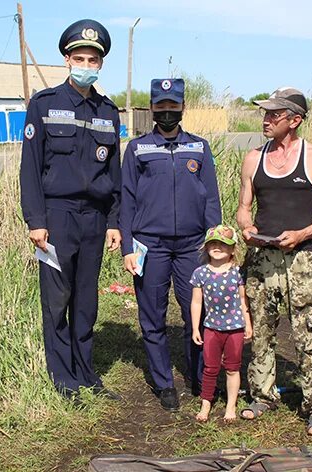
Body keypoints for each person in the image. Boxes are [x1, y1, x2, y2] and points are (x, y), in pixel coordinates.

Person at [19, 19, 122, 400]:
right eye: (79, 57)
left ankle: (86, 373)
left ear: (100, 65)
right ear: (67, 60)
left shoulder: (108, 112)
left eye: (92, 59)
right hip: (56, 218)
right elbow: (29, 167)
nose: (85, 64)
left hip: (94, 219)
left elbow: (115, 172)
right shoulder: (44, 105)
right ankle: (63, 379)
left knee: (86, 300)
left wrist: (114, 221)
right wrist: (36, 221)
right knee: (57, 299)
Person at [236, 87, 312, 435]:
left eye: (274, 115)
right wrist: (246, 228)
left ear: (295, 120)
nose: (266, 120)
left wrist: (301, 234)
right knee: (262, 329)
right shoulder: (253, 158)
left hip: (301, 260)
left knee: (310, 331)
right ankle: (262, 395)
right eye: (264, 114)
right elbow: (243, 207)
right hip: (261, 257)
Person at [120, 78, 221, 411]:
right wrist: (128, 248)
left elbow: (211, 201)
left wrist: (214, 245)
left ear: (182, 108)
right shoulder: (137, 148)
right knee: (153, 315)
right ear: (151, 108)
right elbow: (127, 202)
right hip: (151, 245)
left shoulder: (199, 147)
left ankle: (198, 377)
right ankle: (164, 383)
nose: (166, 112)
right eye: (160, 106)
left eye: (172, 106)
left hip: (193, 245)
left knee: (198, 313)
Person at [190, 225, 252, 422]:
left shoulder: (237, 273)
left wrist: (248, 324)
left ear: (233, 249)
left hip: (235, 329)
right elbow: (196, 302)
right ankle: (205, 404)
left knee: (233, 368)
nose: (217, 247)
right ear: (206, 247)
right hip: (211, 328)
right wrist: (195, 328)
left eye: (223, 244)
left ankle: (231, 406)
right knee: (210, 368)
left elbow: (243, 301)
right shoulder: (200, 273)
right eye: (213, 244)